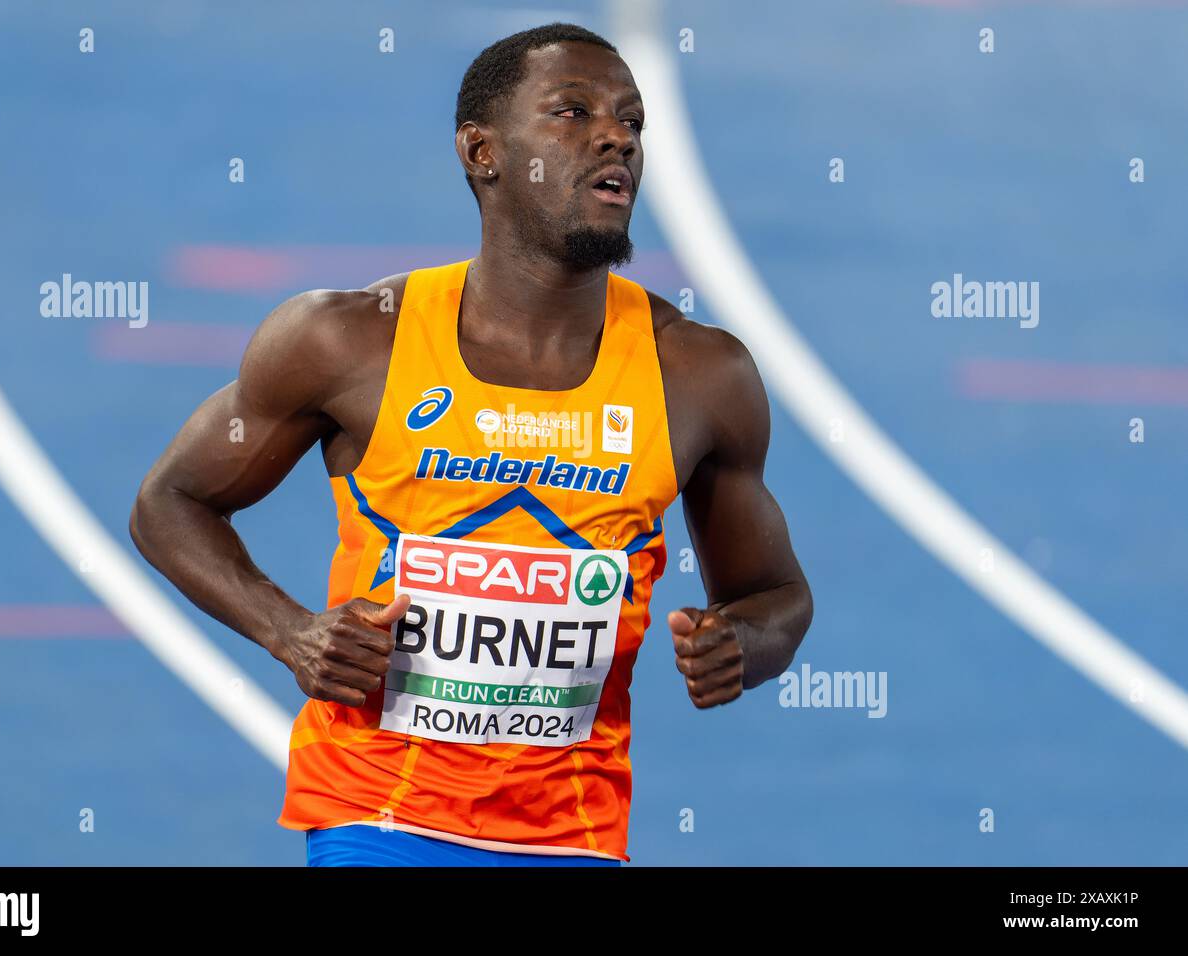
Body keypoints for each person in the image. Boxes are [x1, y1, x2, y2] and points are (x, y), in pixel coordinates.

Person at [130, 22, 812, 867]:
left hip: (573, 834)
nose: (616, 138)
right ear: (482, 151)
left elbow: (776, 596)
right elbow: (170, 502)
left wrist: (744, 645)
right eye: (573, 112)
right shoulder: (347, 342)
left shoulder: (701, 375)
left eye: (632, 122)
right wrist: (289, 632)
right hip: (377, 815)